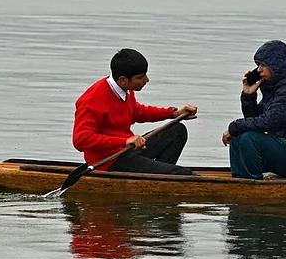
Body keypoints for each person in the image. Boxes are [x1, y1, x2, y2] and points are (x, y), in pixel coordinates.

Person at [72, 48, 198, 176]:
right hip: (109, 161)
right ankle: (164, 176)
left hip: (128, 150)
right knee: (184, 173)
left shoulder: (124, 88)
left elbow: (137, 111)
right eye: (141, 77)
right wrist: (125, 141)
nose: (146, 80)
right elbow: (81, 140)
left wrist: (173, 113)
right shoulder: (91, 101)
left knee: (177, 130)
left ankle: (158, 177)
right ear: (123, 80)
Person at [222, 40, 286, 180]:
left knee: (248, 137)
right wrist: (249, 95)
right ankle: (241, 180)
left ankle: (251, 186)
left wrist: (234, 126)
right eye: (258, 65)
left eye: (263, 65)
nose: (258, 70)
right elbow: (255, 119)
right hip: (285, 148)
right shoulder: (275, 88)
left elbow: (268, 122)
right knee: (239, 138)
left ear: (275, 66)